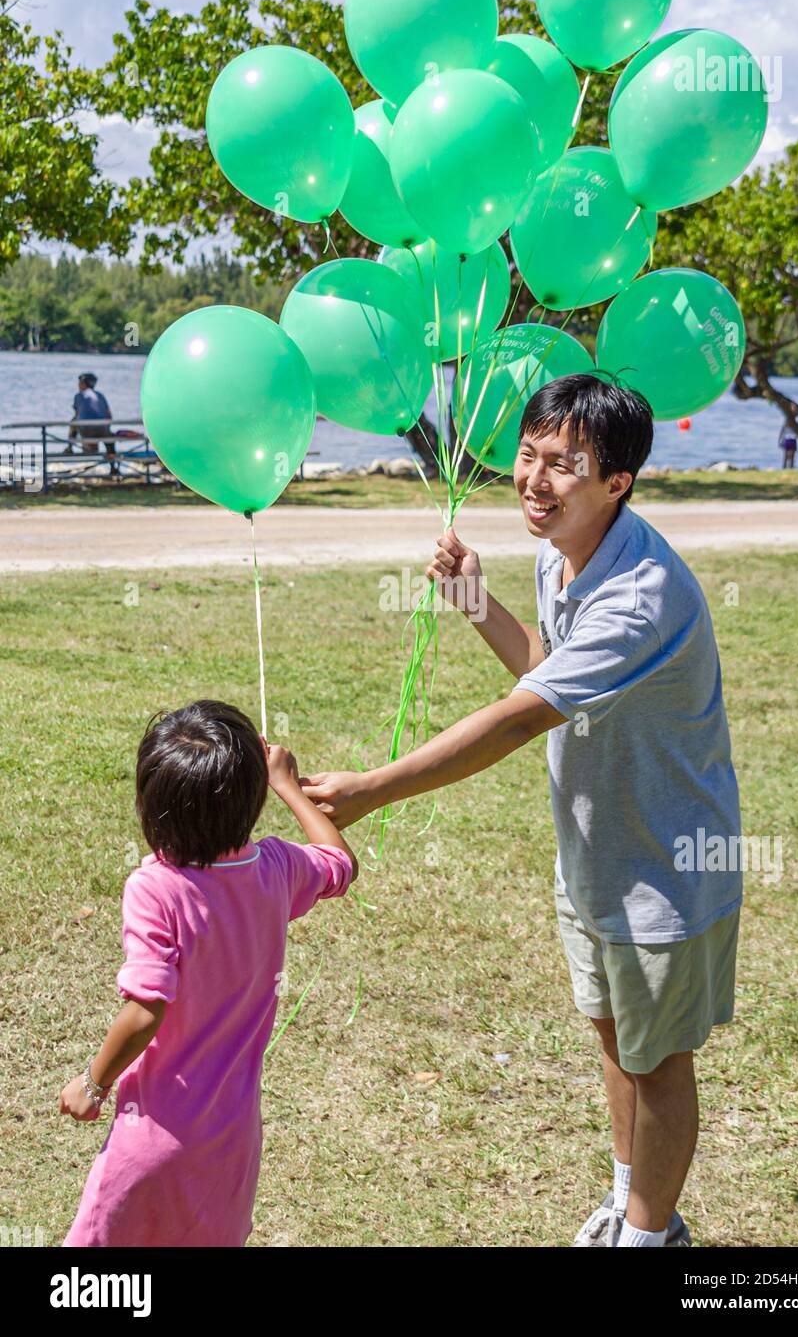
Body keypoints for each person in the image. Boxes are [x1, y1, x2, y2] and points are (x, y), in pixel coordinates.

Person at [304, 374, 743, 1249]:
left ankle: (654, 1238)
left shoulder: (641, 593)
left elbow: (519, 718)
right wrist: (476, 600)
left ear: (617, 481)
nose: (534, 480)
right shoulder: (560, 551)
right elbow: (549, 665)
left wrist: (369, 790)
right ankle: (629, 1198)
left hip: (665, 867)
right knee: (615, 1034)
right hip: (596, 853)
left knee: (659, 1065)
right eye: (529, 455)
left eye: (563, 465)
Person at [60, 700, 357, 1247]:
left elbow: (146, 1008)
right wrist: (289, 786)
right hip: (232, 1141)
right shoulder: (276, 867)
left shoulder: (155, 888)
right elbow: (339, 863)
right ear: (252, 798)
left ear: (152, 805)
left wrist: (92, 1083)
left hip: (151, 1136)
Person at [66, 371, 118, 475]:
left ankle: (70, 447)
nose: (78, 385)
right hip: (103, 430)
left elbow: (77, 414)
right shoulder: (100, 395)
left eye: (80, 383)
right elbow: (109, 416)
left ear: (84, 384)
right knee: (110, 442)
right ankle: (113, 467)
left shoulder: (78, 396)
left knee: (73, 421)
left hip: (87, 431)